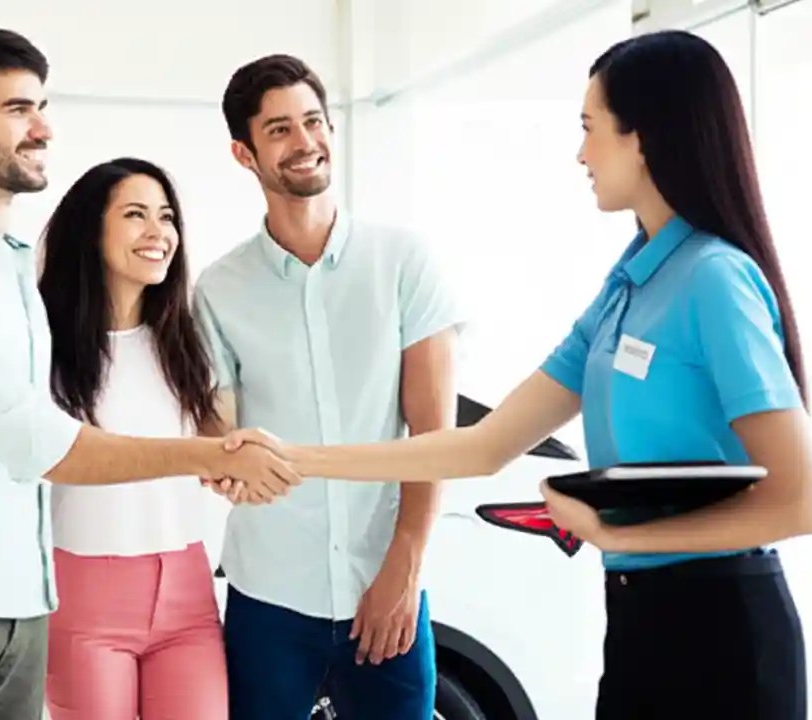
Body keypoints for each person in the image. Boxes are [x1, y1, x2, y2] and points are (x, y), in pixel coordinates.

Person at [229, 30, 812, 720]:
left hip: (725, 631)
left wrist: (619, 533)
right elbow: (482, 444)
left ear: (645, 137)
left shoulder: (716, 279)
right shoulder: (628, 286)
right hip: (638, 619)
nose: (580, 153)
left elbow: (800, 503)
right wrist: (296, 458)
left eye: (589, 128)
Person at [0, 26, 295, 720]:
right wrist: (210, 453)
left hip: (22, 600)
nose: (44, 128)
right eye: (20, 108)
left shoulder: (11, 268)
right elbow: (35, 441)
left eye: (43, 107)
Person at [194, 54, 465, 720]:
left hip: (386, 579)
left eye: (314, 122)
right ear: (244, 153)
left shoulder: (404, 261)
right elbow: (219, 430)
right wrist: (217, 459)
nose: (305, 141)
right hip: (269, 597)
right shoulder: (218, 289)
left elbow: (436, 437)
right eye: (280, 129)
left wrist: (404, 566)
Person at [36, 157, 229, 720]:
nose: (158, 233)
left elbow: (218, 438)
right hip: (86, 594)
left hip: (188, 592)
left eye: (166, 217)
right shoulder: (45, 347)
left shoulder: (187, 340)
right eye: (136, 215)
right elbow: (52, 459)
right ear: (90, 230)